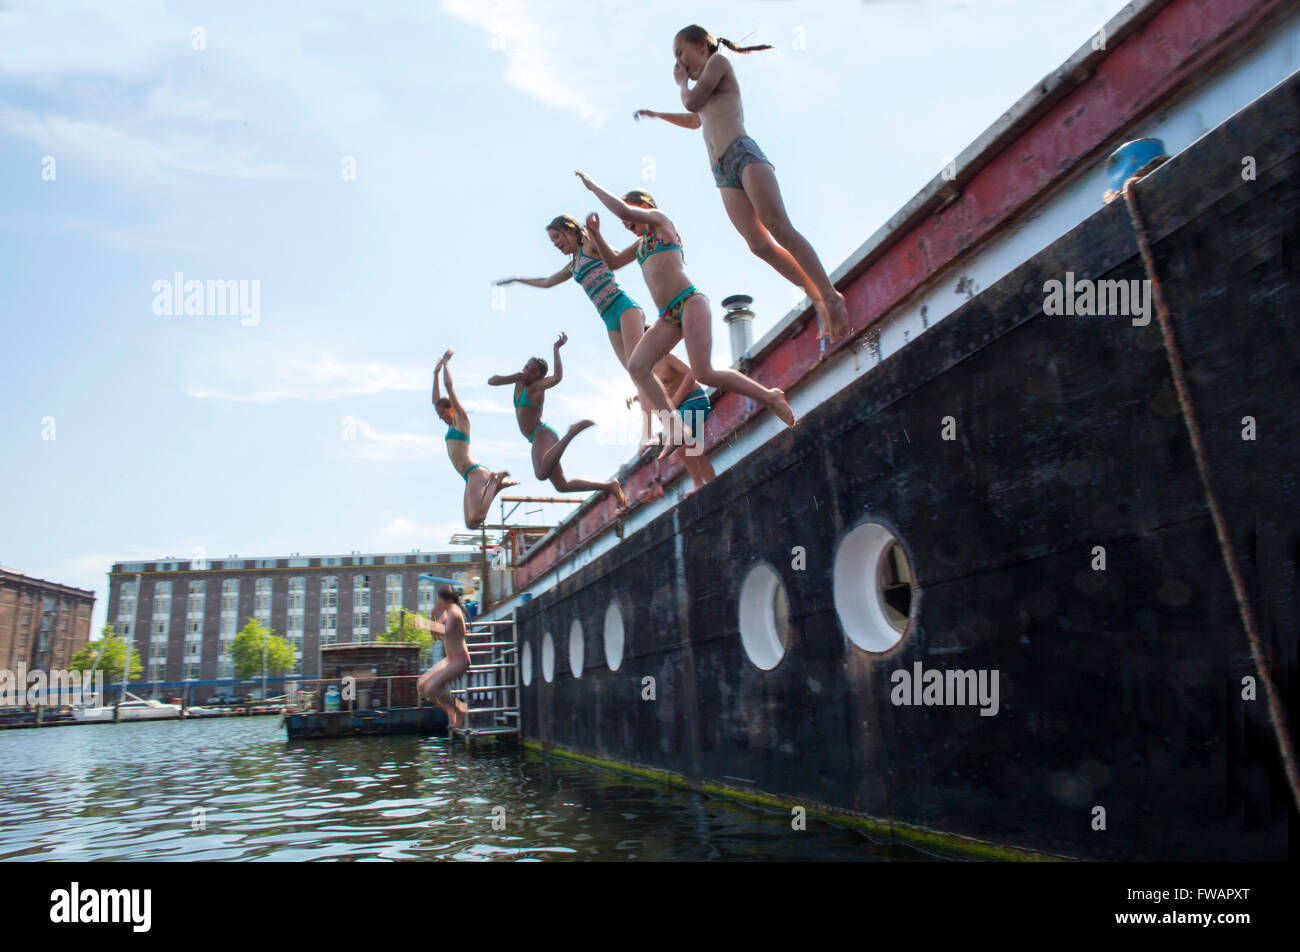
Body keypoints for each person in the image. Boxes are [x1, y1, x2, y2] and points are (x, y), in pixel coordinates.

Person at [633, 24, 849, 343]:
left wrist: (680, 84)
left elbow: (691, 102)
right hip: (722, 172)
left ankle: (831, 296)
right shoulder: (704, 89)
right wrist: (657, 114)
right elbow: (695, 119)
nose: (679, 63)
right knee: (758, 245)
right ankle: (815, 296)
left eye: (680, 52)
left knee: (777, 226)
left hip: (742, 153)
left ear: (702, 46)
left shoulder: (718, 64)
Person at [577, 172, 796, 460]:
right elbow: (614, 262)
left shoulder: (660, 222)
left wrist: (593, 186)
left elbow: (622, 209)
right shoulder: (641, 244)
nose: (628, 225)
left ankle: (769, 396)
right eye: (625, 225)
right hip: (668, 316)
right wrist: (596, 235)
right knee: (637, 367)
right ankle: (675, 427)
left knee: (704, 372)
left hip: (690, 302)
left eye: (631, 221)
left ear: (644, 207)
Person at [495, 216, 672, 446]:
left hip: (623, 308)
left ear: (570, 230)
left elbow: (617, 256)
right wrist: (518, 279)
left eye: (557, 237)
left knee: (640, 371)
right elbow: (548, 281)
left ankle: (662, 428)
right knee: (635, 375)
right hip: (608, 319)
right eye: (552, 241)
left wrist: (597, 236)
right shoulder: (573, 265)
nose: (556, 244)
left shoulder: (590, 245)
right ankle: (661, 428)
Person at [488, 332, 628, 507]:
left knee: (541, 473)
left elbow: (557, 378)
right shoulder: (518, 382)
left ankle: (571, 433)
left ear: (540, 377)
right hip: (536, 439)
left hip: (542, 434)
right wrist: (516, 377)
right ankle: (610, 486)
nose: (527, 373)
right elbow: (491, 381)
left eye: (533, 372)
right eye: (526, 368)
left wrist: (556, 349)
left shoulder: (537, 387)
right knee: (562, 486)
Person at [432, 350, 517, 529]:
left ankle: (495, 480)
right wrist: (435, 374)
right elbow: (435, 401)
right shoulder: (450, 427)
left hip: (475, 472)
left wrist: (446, 365)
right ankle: (497, 487)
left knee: (478, 516)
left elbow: (449, 387)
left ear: (452, 408)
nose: (440, 417)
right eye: (438, 414)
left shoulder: (461, 420)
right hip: (468, 476)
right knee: (471, 524)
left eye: (443, 412)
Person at [626, 346, 716, 494]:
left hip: (695, 399)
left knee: (680, 442)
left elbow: (692, 372)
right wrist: (635, 397)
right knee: (689, 448)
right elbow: (655, 390)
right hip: (680, 409)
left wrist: (676, 399)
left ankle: (701, 483)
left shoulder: (667, 356)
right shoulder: (646, 369)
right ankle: (708, 484)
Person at [413, 587, 470, 729]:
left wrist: (424, 623)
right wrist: (432, 616)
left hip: (459, 660)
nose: (438, 604)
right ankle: (453, 711)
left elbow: (447, 631)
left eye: (439, 600)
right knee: (421, 684)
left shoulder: (454, 613)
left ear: (448, 600)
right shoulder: (446, 613)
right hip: (450, 660)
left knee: (431, 689)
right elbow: (435, 636)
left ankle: (459, 710)